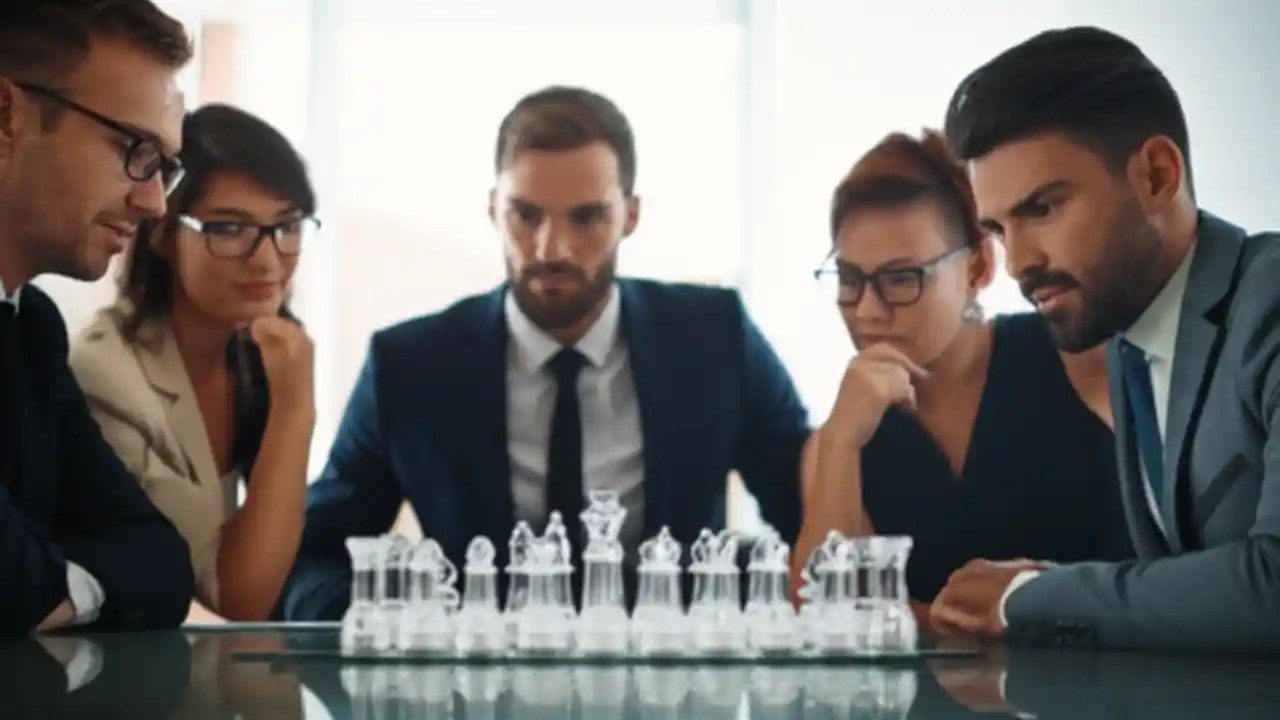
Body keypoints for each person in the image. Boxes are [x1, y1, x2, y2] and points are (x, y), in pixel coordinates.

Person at [280, 86, 810, 620]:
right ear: (493, 209)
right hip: (478, 693)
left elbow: (811, 519)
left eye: (586, 218)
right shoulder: (410, 366)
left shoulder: (714, 338)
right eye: (526, 216)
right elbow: (314, 558)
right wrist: (405, 626)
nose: (551, 248)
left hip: (672, 693)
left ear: (631, 215)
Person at [930, 26, 1280, 652]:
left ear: (1156, 176)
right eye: (999, 228)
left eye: (1042, 209)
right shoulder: (1129, 342)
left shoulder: (1268, 302)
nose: (1018, 262)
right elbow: (1174, 592)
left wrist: (1027, 598)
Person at [791, 129, 1131, 618]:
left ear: (977, 269)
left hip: (1122, 683)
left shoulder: (1078, 356)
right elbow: (821, 616)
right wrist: (841, 443)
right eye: (849, 279)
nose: (866, 310)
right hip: (937, 696)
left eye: (901, 279)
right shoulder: (837, 445)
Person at [69, 105, 318, 621]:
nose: (269, 260)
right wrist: (296, 412)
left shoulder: (251, 356)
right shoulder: (107, 376)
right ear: (159, 232)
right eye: (229, 228)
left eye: (287, 226)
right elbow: (233, 597)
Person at [0, 0, 195, 634]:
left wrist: (55, 588)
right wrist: (54, 584)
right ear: (6, 117)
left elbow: (162, 564)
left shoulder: (31, 330)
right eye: (135, 151)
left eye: (164, 167)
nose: (153, 201)